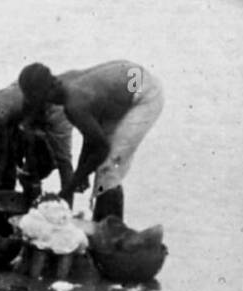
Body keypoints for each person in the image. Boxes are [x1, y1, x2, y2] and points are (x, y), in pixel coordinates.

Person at [18, 60, 165, 222]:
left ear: (43, 93)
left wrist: (71, 185)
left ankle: (110, 231)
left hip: (142, 90)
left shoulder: (73, 104)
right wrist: (81, 173)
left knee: (109, 168)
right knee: (102, 167)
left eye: (34, 98)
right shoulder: (69, 92)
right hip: (128, 80)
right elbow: (91, 138)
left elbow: (102, 148)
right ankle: (102, 222)